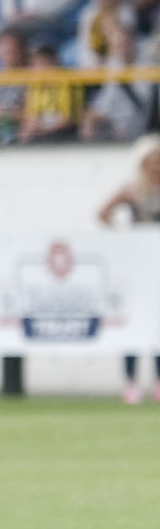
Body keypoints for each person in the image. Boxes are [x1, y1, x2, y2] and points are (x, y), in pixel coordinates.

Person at [98, 134, 160, 402]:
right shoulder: (133, 190)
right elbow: (103, 213)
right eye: (152, 161)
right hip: (139, 265)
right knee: (134, 322)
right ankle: (131, 380)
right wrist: (123, 240)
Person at [80, 22, 154, 142]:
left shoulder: (147, 67)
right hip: (112, 118)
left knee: (116, 125)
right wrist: (96, 113)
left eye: (124, 44)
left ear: (133, 43)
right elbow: (106, 99)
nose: (121, 49)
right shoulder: (114, 65)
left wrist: (104, 114)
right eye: (116, 46)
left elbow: (143, 103)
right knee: (88, 118)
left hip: (136, 119)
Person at [19, 43, 79, 142]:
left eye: (43, 63)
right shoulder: (35, 86)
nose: (39, 69)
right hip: (41, 132)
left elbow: (68, 121)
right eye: (36, 65)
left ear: (54, 62)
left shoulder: (68, 84)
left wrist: (42, 129)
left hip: (64, 134)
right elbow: (30, 117)